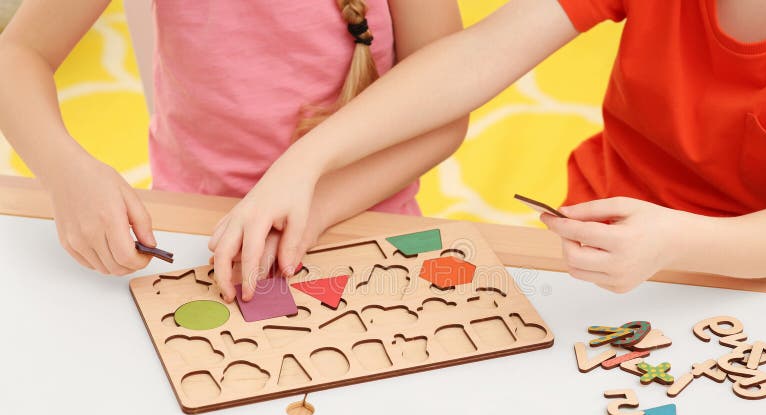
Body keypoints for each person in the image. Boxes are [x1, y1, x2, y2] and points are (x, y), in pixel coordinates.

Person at [232, 0, 766, 293]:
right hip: (595, 249)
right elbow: (477, 56)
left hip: (751, 278)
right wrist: (308, 160)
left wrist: (675, 240)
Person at [0, 0, 468, 301]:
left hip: (368, 224)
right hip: (196, 234)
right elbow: (17, 54)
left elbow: (446, 110)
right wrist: (65, 173)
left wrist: (310, 210)